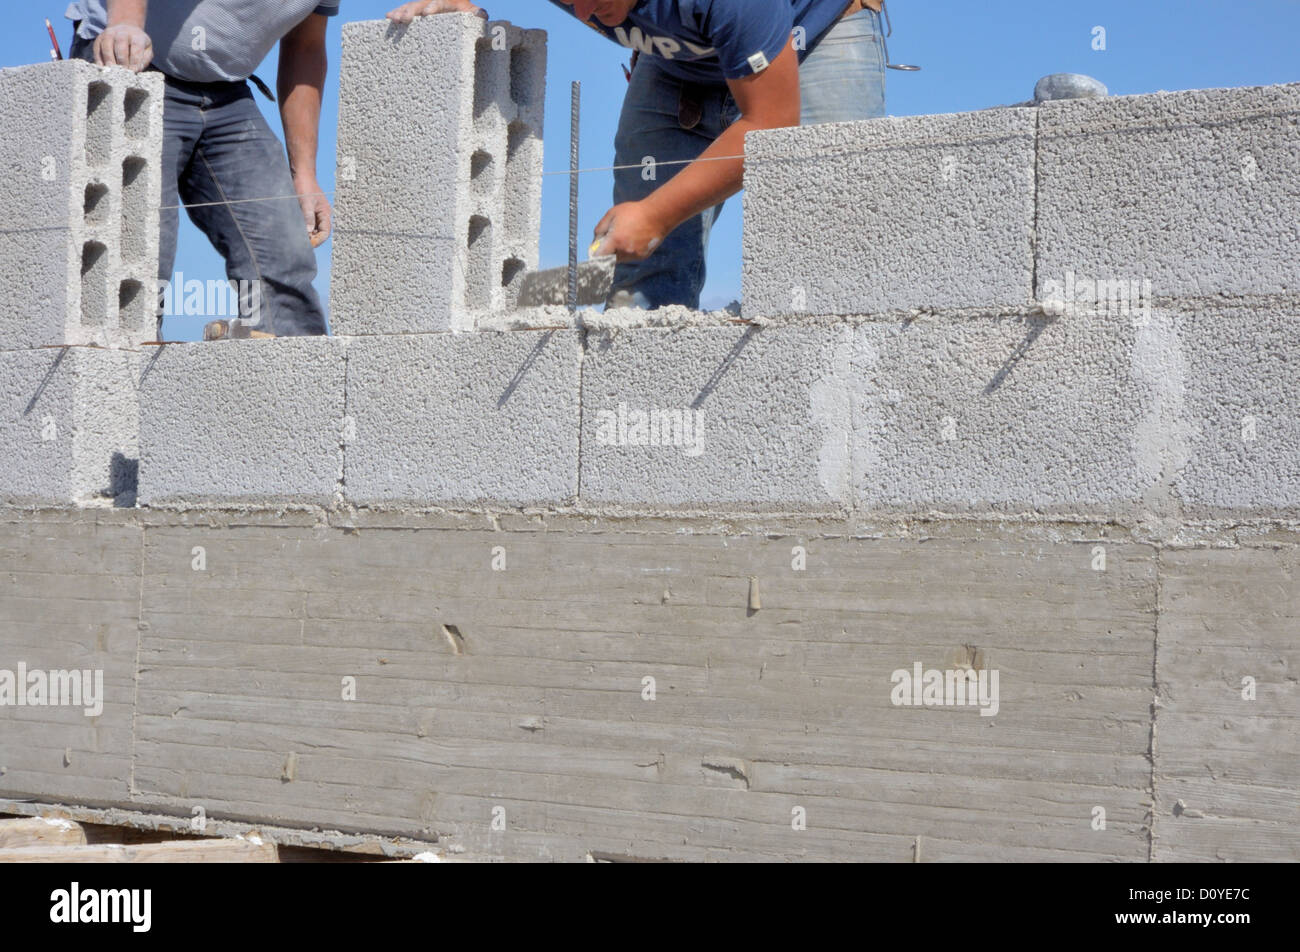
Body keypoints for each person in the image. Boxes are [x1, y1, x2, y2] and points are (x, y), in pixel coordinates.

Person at [387, 0, 888, 310]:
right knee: (643, 286)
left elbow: (771, 125)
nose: (582, 14)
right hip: (681, 58)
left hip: (810, 34)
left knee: (822, 263)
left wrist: (655, 214)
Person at [66, 0, 337, 338]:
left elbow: (305, 44)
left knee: (285, 254)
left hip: (227, 91)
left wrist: (305, 174)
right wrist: (125, 23)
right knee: (138, 258)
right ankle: (118, 376)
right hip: (132, 65)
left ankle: (291, 377)